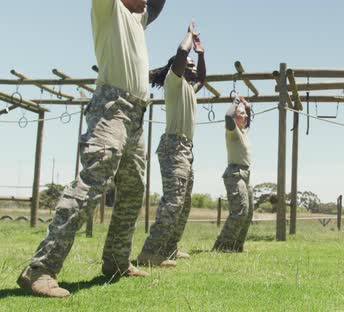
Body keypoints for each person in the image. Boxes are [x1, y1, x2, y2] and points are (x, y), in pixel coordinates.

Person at [16, 0, 166, 297]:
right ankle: (40, 269)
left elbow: (158, 4)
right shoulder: (109, 8)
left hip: (136, 114)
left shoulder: (138, 19)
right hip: (112, 106)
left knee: (134, 187)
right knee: (94, 181)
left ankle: (116, 261)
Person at [137, 20, 206, 267]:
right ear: (177, 69)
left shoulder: (188, 88)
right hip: (173, 147)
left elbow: (203, 79)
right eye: (189, 66)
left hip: (186, 149)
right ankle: (149, 254)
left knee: (184, 203)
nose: (192, 68)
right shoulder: (173, 83)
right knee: (173, 201)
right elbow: (180, 53)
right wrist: (188, 36)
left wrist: (201, 55)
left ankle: (169, 248)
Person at [213, 95, 253, 252]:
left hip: (246, 174)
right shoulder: (232, 131)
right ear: (235, 117)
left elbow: (248, 119)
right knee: (240, 210)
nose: (245, 117)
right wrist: (236, 101)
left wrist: (247, 107)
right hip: (235, 173)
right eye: (241, 114)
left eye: (245, 114)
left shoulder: (243, 131)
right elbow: (228, 116)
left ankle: (236, 246)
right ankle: (222, 246)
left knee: (247, 213)